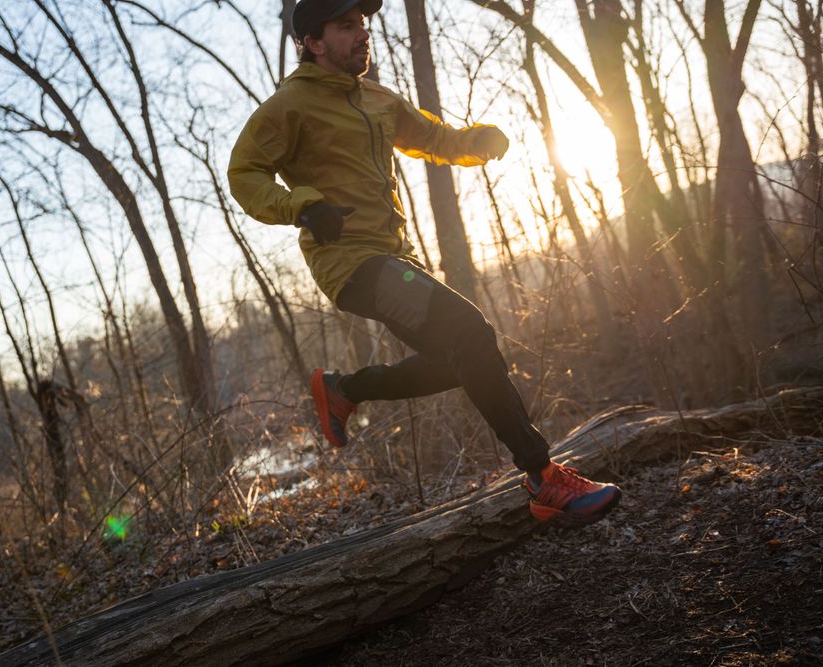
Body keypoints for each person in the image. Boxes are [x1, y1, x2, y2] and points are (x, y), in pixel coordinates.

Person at [228, 0, 621, 525]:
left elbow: (431, 138)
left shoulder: (376, 98)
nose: (361, 35)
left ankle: (345, 388)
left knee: (458, 359)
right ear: (314, 42)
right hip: (349, 260)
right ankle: (543, 478)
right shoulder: (289, 106)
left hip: (394, 256)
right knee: (472, 332)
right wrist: (302, 206)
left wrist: (474, 142)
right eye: (346, 27)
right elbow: (245, 174)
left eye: (363, 25)